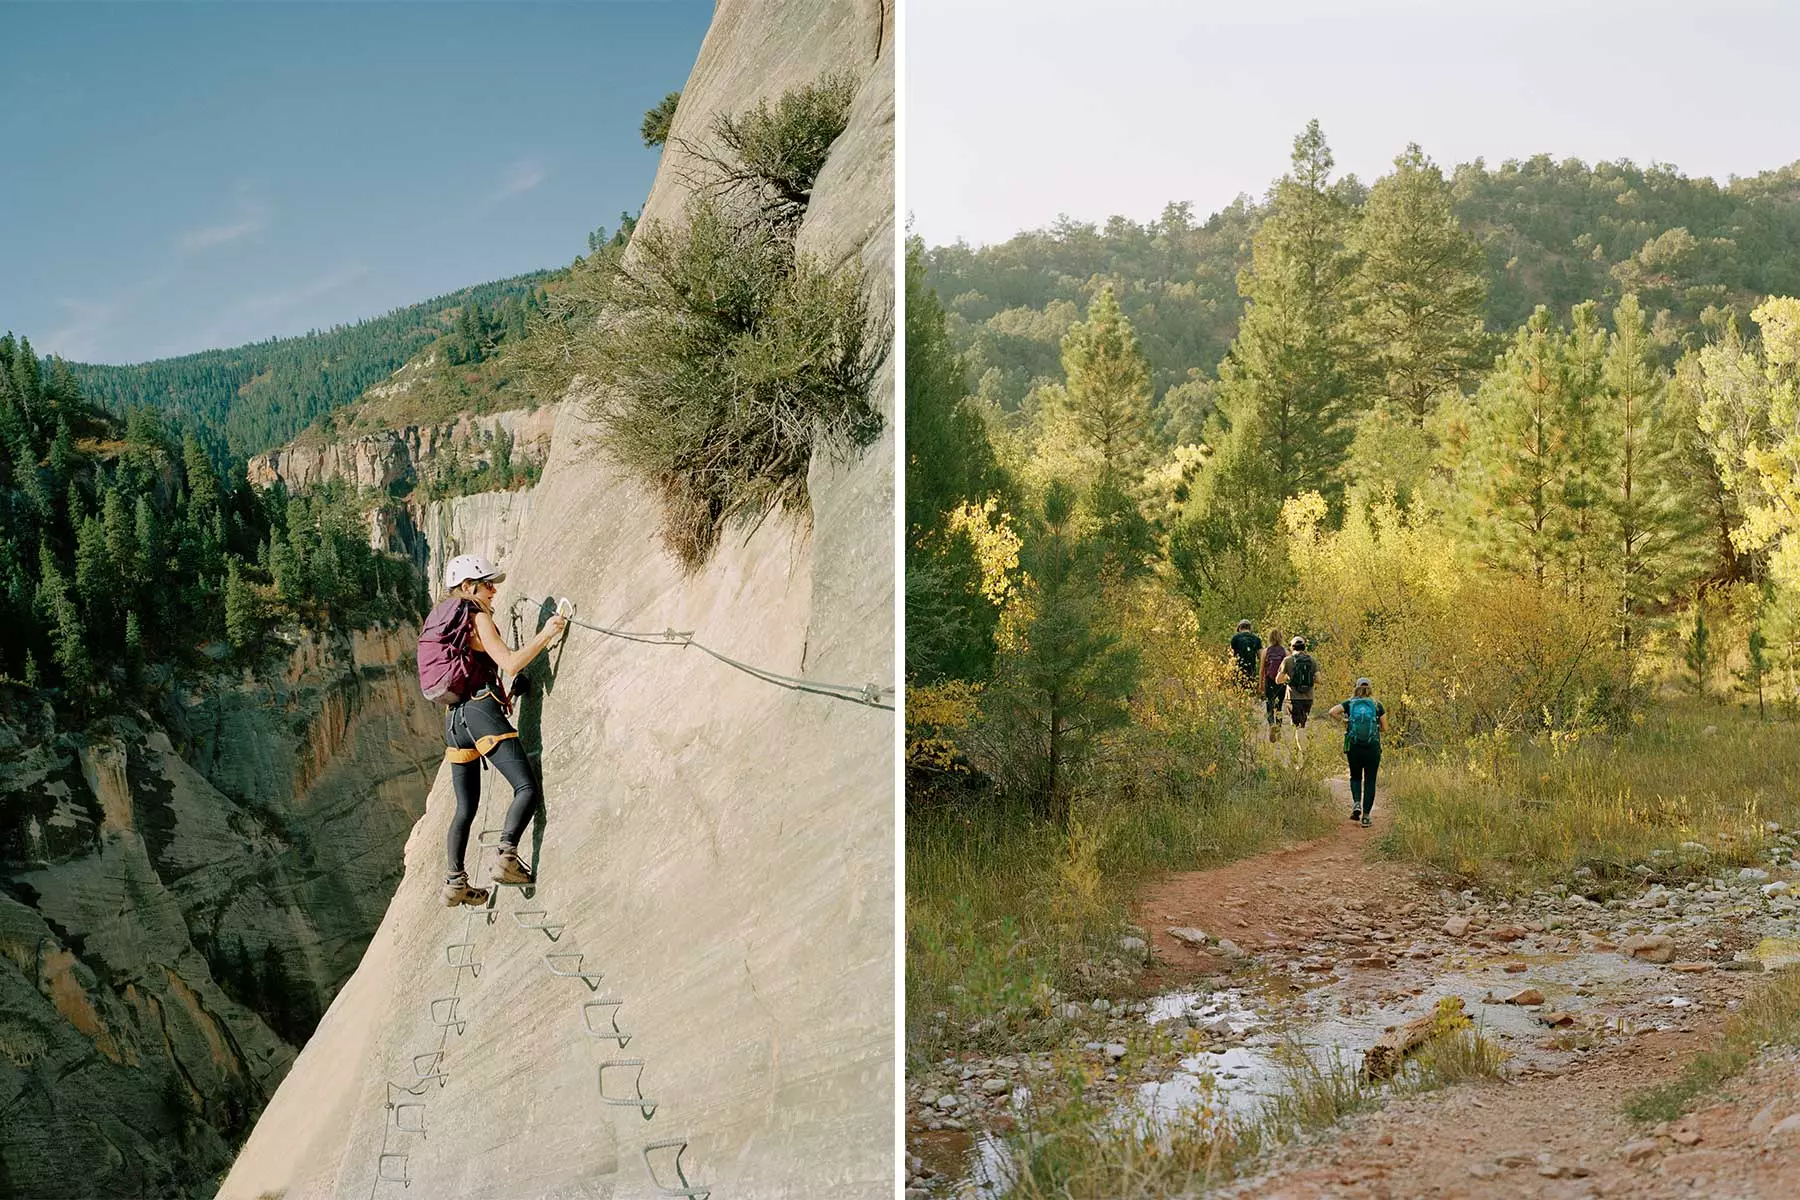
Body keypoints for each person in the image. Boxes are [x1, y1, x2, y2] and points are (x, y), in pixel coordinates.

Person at [419, 554, 567, 906]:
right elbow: (511, 661)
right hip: (481, 713)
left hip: (455, 722)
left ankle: (455, 882)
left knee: (464, 808)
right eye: (487, 585)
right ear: (468, 587)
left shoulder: (443, 622)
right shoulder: (475, 616)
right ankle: (506, 856)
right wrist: (546, 634)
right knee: (526, 788)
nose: (493, 592)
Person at [1329, 677, 1386, 827]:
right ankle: (1366, 816)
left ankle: (1356, 804)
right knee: (1370, 780)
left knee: (1355, 776)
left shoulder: (1350, 703)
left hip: (1354, 746)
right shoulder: (1377, 704)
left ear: (1356, 688)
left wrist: (1345, 723)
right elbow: (1385, 727)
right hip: (1372, 747)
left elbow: (1332, 712)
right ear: (1370, 689)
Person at [1275, 636, 1317, 740]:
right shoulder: (1312, 660)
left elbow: (1278, 680)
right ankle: (1298, 748)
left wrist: (1289, 679)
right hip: (1308, 697)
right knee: (1302, 724)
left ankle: (1303, 752)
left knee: (1298, 727)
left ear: (1291, 647)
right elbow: (1319, 679)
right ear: (1304, 647)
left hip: (1293, 697)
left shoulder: (1288, 660)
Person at [1260, 626, 1288, 734]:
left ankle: (1272, 724)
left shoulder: (1265, 651)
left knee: (1270, 704)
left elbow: (1262, 670)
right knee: (1279, 706)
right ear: (1280, 638)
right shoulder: (1285, 652)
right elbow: (1289, 671)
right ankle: (1278, 729)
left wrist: (1260, 685)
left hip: (1269, 681)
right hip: (1281, 682)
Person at [1229, 618, 1263, 689]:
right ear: (1250, 628)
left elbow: (1231, 657)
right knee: (1250, 689)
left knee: (1239, 691)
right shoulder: (1256, 638)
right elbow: (1261, 657)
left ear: (1239, 628)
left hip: (1238, 670)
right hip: (1251, 669)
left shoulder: (1235, 638)